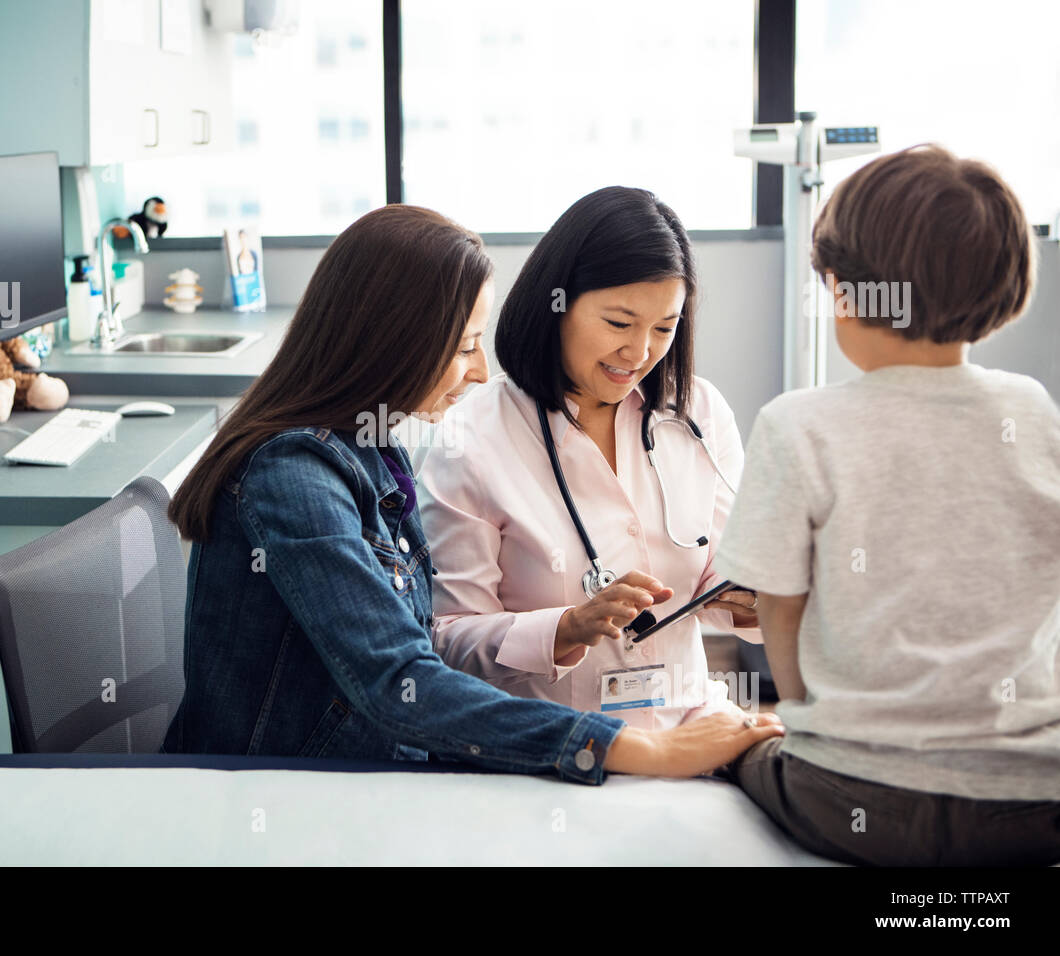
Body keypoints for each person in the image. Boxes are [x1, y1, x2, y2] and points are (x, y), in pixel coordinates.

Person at [161, 203, 782, 782]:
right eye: (463, 347)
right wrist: (635, 745)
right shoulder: (292, 478)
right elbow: (405, 675)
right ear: (390, 341)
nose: (483, 369)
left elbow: (409, 655)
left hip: (400, 769)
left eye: (665, 327)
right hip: (298, 794)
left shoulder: (373, 455)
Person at [716, 144, 1060, 865]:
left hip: (851, 797)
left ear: (843, 291)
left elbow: (778, 604)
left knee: (736, 749)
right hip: (1031, 805)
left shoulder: (797, 423)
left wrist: (807, 720)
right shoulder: (1033, 412)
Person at [417, 187, 761, 731]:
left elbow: (718, 576)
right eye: (619, 324)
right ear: (556, 305)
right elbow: (445, 636)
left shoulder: (699, 411)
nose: (641, 352)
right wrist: (566, 628)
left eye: (664, 328)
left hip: (690, 721)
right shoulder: (473, 436)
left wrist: (756, 600)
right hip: (554, 738)